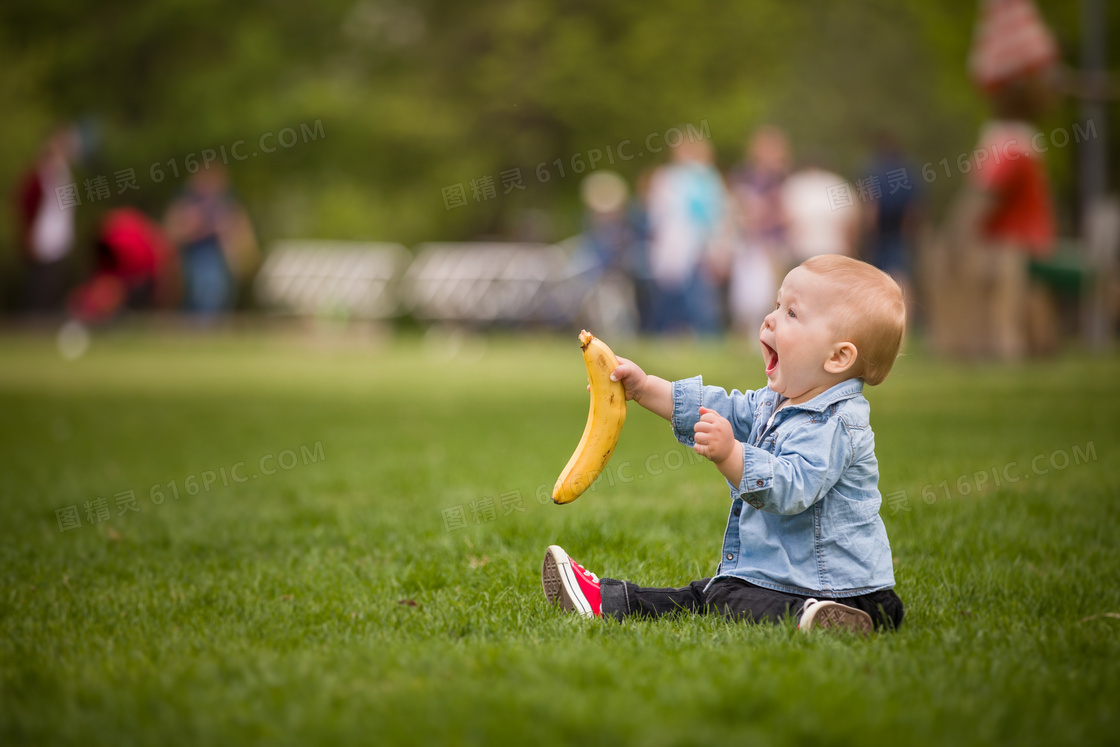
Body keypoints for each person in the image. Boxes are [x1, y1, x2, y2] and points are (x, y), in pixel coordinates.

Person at [542, 254, 907, 633]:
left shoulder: (836, 423)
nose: (770, 318)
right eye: (777, 304)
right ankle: (603, 599)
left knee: (720, 597)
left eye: (792, 314)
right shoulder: (776, 401)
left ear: (837, 357)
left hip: (847, 592)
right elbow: (721, 407)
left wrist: (732, 454)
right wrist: (646, 387)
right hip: (797, 584)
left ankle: (815, 619)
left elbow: (793, 486)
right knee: (713, 594)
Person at [645, 139, 729, 336]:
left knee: (700, 294)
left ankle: (704, 333)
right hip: (675, 243)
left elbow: (716, 213)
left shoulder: (706, 178)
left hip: (701, 244)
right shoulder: (668, 177)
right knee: (673, 292)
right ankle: (673, 330)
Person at [164, 164, 258, 317]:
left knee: (217, 289)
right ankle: (203, 323)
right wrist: (194, 228)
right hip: (194, 254)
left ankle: (208, 323)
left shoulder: (227, 204)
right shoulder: (187, 203)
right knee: (204, 287)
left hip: (222, 254)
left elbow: (241, 232)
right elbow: (172, 231)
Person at [727, 125, 789, 337]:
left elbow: (785, 213)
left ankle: (769, 334)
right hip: (748, 242)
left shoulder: (783, 178)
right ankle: (743, 334)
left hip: (772, 242)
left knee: (771, 293)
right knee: (744, 295)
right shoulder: (744, 176)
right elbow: (734, 207)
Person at [12, 125, 80, 314]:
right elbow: (26, 204)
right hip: (42, 236)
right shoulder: (42, 173)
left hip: (58, 236)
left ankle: (42, 318)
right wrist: (27, 235)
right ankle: (32, 318)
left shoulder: (63, 172)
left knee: (52, 281)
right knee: (39, 282)